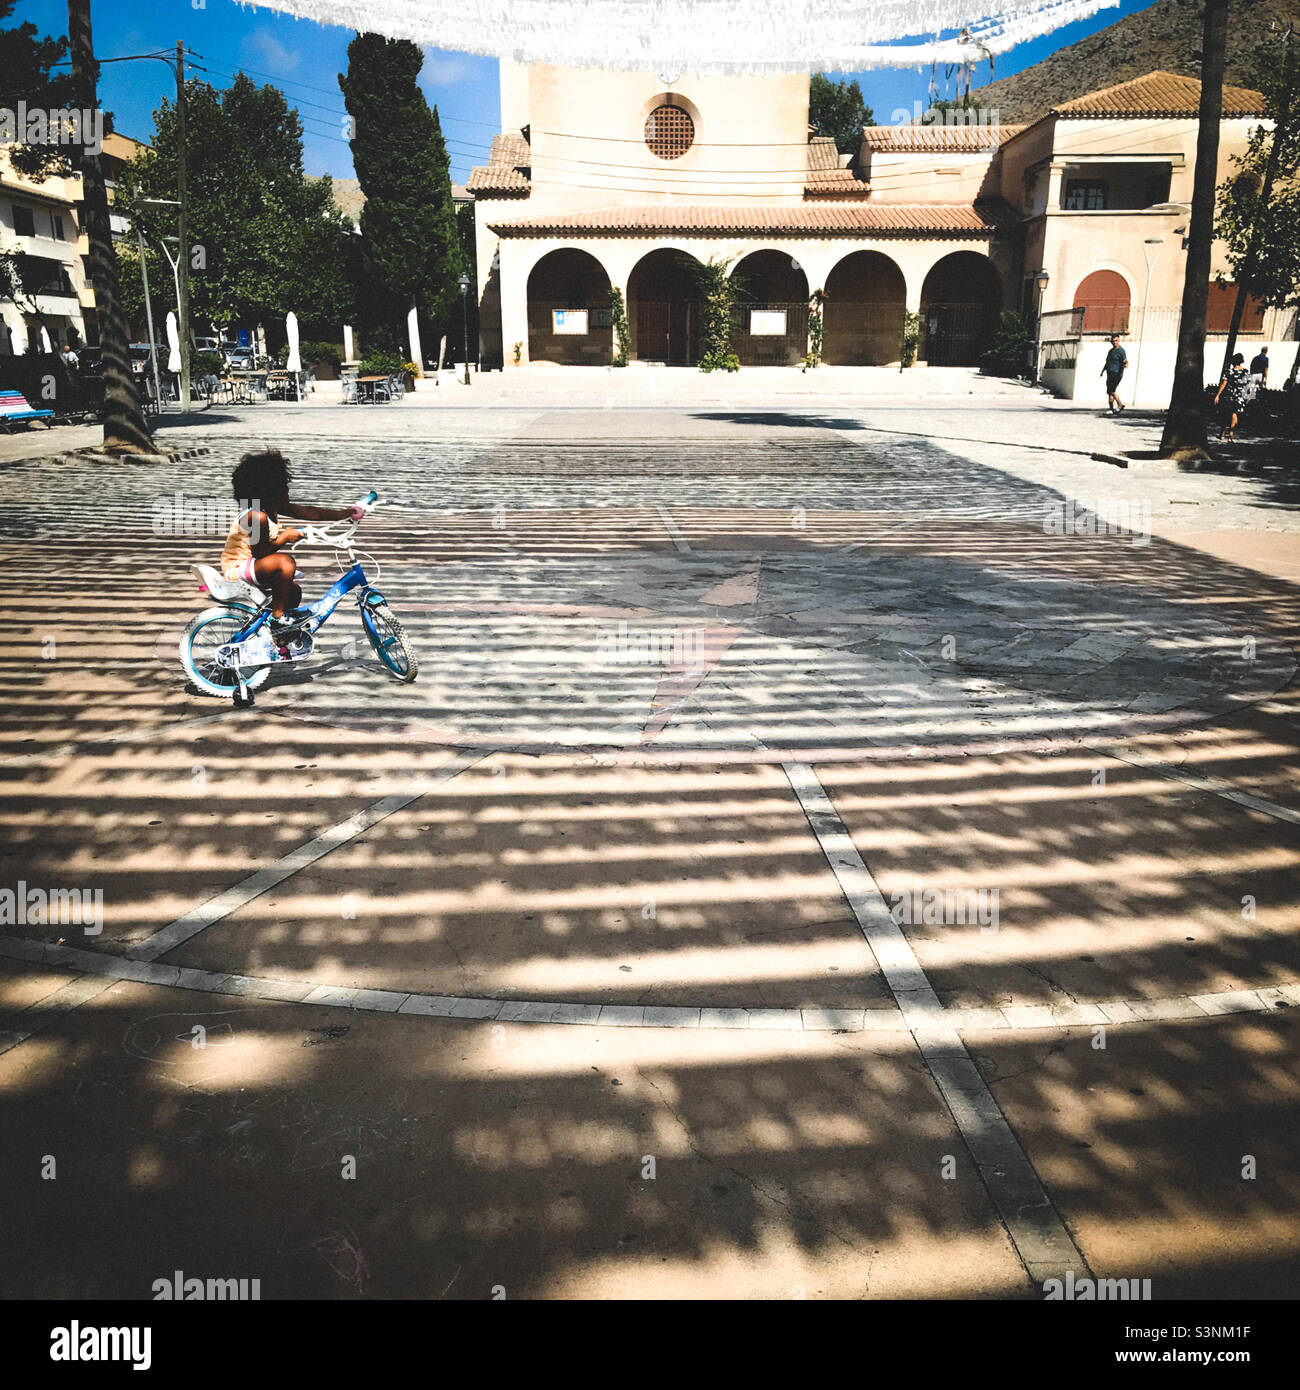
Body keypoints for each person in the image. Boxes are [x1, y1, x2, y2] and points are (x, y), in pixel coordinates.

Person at [220, 449, 364, 641]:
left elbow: (311, 513)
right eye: (283, 487)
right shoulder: (256, 516)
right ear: (269, 491)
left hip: (253, 566)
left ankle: (279, 637)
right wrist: (285, 537)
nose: (288, 490)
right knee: (285, 563)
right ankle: (278, 617)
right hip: (238, 568)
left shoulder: (270, 508)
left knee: (293, 592)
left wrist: (345, 513)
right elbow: (262, 552)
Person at [1214, 352, 1250, 441]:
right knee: (1235, 414)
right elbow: (1248, 385)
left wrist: (1218, 395)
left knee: (1226, 414)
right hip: (1240, 396)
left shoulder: (1229, 371)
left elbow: (1224, 384)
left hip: (1230, 395)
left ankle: (1222, 434)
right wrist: (1248, 396)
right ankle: (1230, 435)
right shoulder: (1245, 372)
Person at [1101, 335, 1127, 413]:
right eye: (1113, 341)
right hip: (1109, 373)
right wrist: (1102, 371)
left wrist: (1125, 366)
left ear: (1118, 340)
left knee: (1112, 390)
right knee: (1109, 391)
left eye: (1116, 340)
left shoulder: (1121, 351)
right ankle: (1111, 409)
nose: (1114, 342)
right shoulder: (1111, 351)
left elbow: (1125, 360)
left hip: (1116, 374)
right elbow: (1107, 362)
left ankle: (1120, 405)